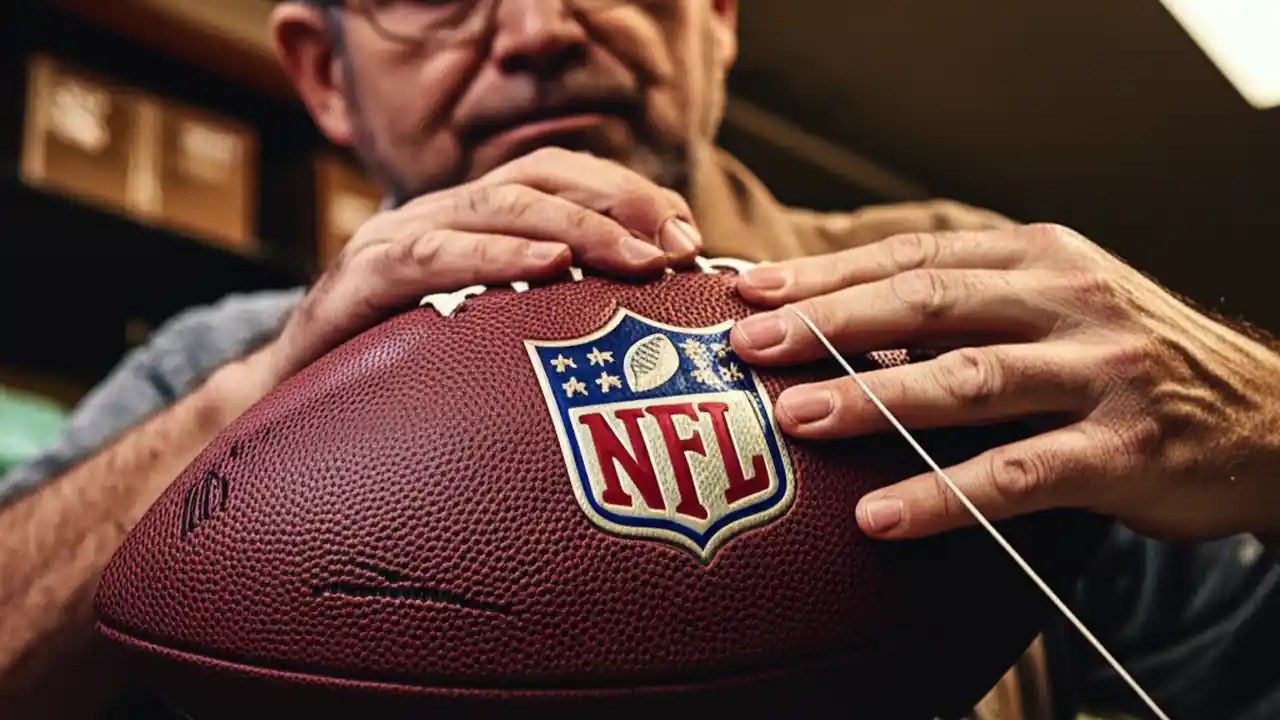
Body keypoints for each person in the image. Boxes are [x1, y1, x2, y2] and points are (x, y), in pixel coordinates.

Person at [2, 1, 1278, 717]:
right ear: (323, 78)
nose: (538, 26)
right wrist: (248, 397)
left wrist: (1262, 425)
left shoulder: (975, 305)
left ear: (717, 17)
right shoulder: (212, 372)